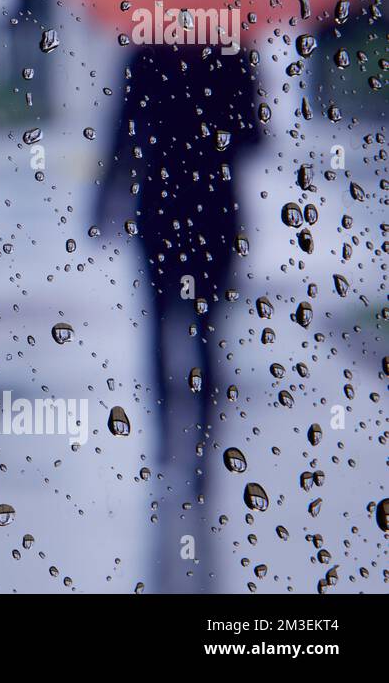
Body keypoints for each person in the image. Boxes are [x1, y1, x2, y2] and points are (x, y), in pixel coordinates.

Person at [96, 45, 262, 592]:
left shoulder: (147, 56)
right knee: (208, 332)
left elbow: (124, 135)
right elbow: (256, 137)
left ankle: (170, 438)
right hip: (215, 202)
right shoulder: (234, 55)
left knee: (161, 326)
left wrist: (105, 200)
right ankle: (202, 446)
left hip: (160, 204)